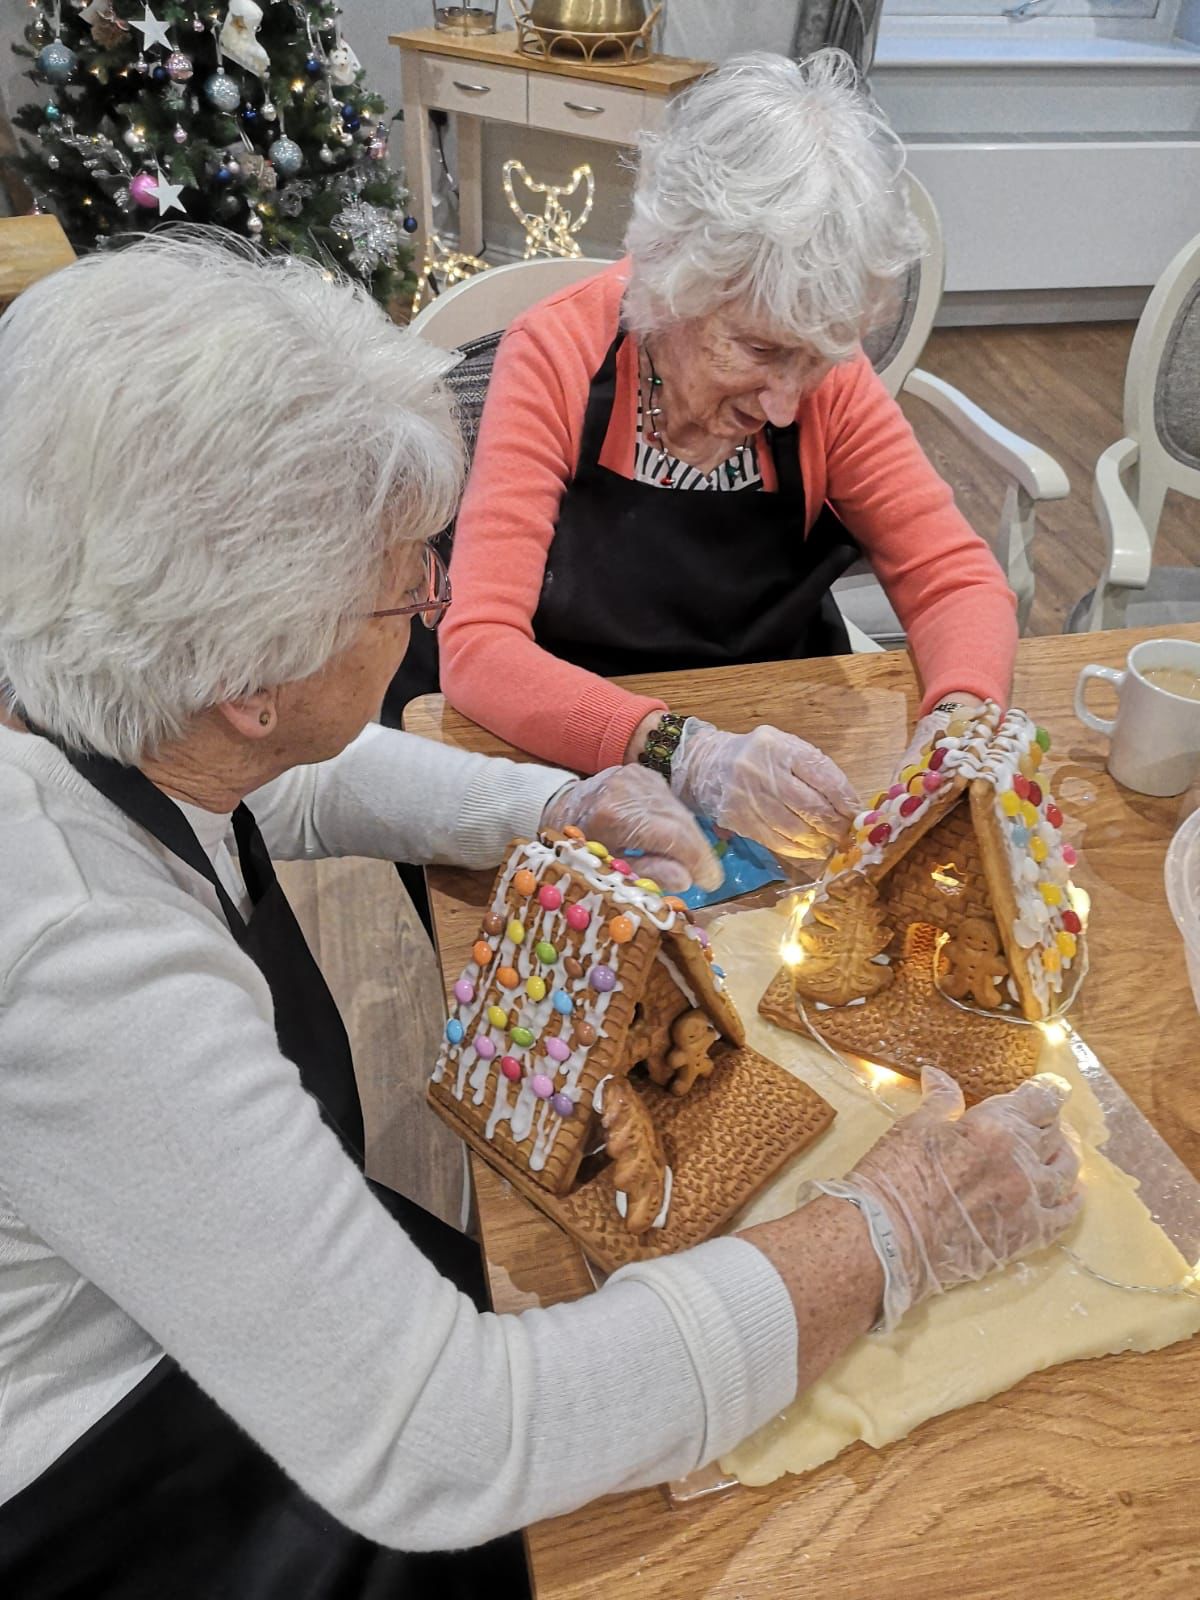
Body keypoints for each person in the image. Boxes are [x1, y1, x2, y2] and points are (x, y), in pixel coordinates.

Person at [0, 235, 1080, 1599]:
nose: (435, 602)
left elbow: (295, 785)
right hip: (126, 1474)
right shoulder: (76, 961)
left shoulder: (111, 710)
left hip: (202, 1314)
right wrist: (896, 1226)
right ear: (247, 683)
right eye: (405, 589)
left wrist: (548, 811)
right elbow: (452, 1436)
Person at [438, 50, 1018, 863]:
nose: (786, 401)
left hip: (778, 746)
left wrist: (958, 724)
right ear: (672, 282)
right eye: (757, 349)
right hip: (586, 760)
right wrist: (687, 751)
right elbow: (478, 652)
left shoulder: (827, 386)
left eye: (815, 357)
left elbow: (953, 580)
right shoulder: (555, 355)